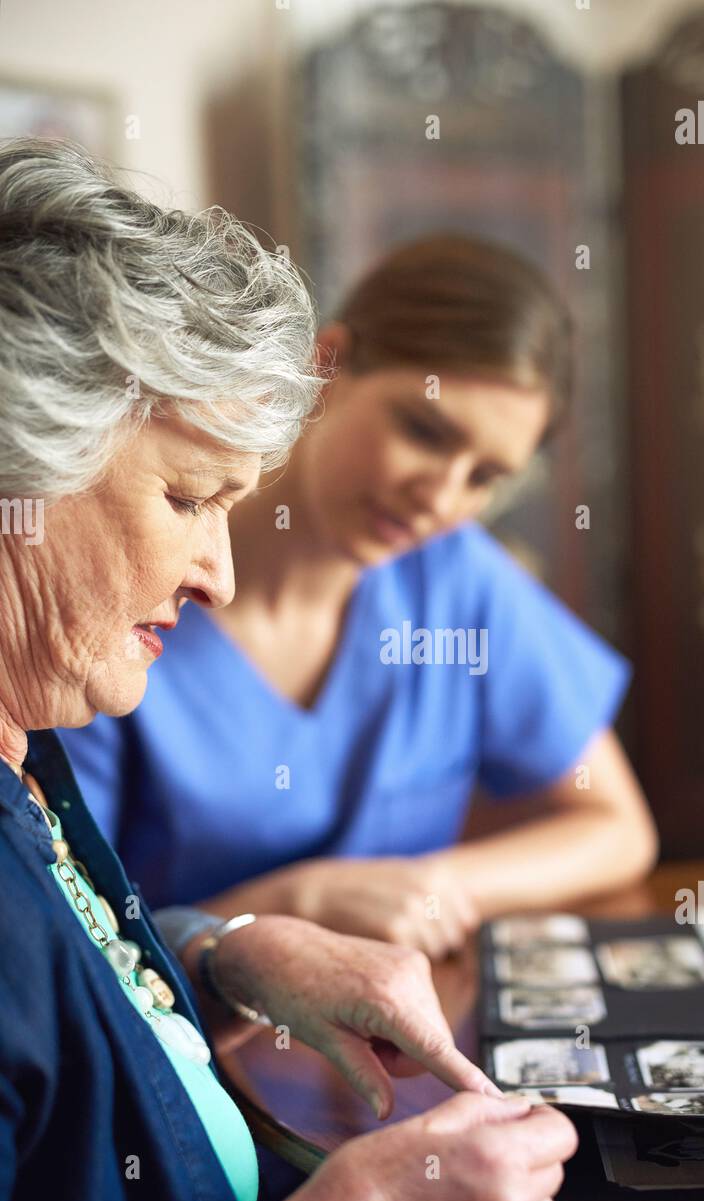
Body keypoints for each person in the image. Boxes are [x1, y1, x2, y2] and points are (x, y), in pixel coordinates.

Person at [0, 137, 577, 1201]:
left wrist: (224, 950)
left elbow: (65, 991)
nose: (216, 572)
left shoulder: (33, 736)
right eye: (184, 497)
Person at [62, 234, 658, 961]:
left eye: (483, 477)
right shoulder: (127, 593)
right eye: (424, 431)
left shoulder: (456, 577)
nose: (439, 498)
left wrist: (435, 885)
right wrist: (294, 904)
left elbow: (616, 827)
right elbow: (73, 948)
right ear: (328, 364)